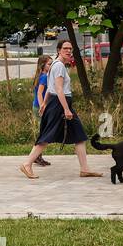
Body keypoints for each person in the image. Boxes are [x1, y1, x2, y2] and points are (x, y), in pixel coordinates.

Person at [19, 40, 101, 179]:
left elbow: (51, 88)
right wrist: (66, 109)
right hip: (60, 105)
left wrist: (44, 103)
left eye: (70, 49)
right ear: (58, 50)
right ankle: (27, 164)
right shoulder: (59, 67)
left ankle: (85, 169)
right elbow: (58, 89)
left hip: (59, 103)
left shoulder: (56, 65)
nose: (68, 51)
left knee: (79, 135)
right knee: (47, 135)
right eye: (65, 48)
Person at [31, 54, 53, 167]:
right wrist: (42, 107)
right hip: (39, 107)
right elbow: (39, 93)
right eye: (49, 64)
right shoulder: (44, 76)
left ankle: (37, 157)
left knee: (43, 132)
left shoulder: (42, 75)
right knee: (43, 133)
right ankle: (36, 157)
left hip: (37, 106)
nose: (51, 66)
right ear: (43, 65)